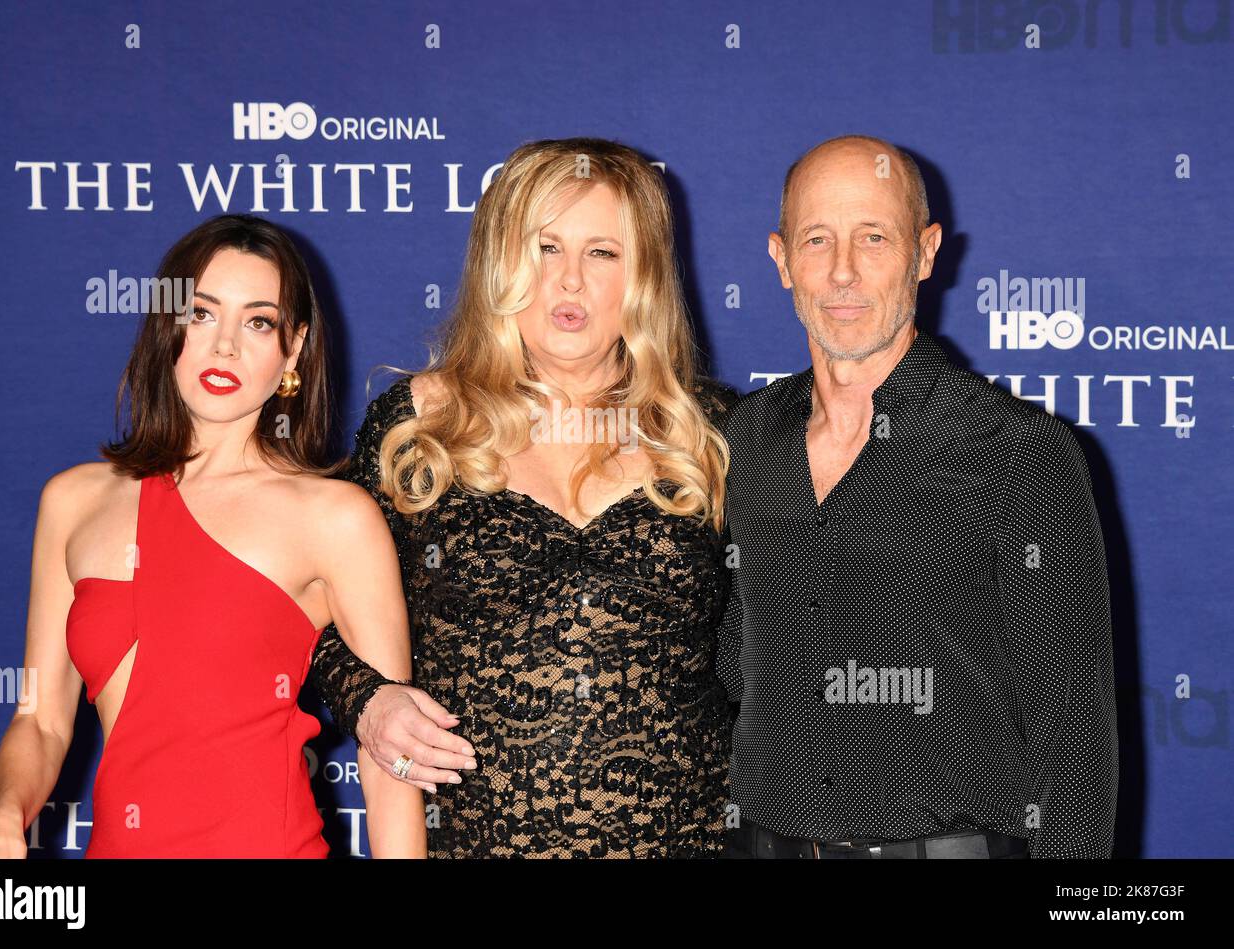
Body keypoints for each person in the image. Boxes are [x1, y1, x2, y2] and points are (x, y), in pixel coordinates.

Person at [309, 138, 738, 857]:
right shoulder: (421, 426)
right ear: (501, 261)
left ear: (643, 275)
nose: (569, 280)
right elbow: (307, 615)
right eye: (545, 248)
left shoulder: (713, 431)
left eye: (602, 253)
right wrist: (370, 700)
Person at [0, 215, 424, 858]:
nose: (226, 347)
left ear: (292, 352)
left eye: (258, 322)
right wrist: (2, 822)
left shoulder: (334, 516)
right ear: (168, 327)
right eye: (203, 313)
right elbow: (41, 720)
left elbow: (387, 759)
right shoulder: (72, 502)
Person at [718, 135, 1118, 859]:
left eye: (873, 237)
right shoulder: (744, 437)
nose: (843, 271)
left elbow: (1073, 739)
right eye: (817, 239)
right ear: (780, 260)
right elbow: (720, 663)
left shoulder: (1016, 451)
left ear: (925, 253)